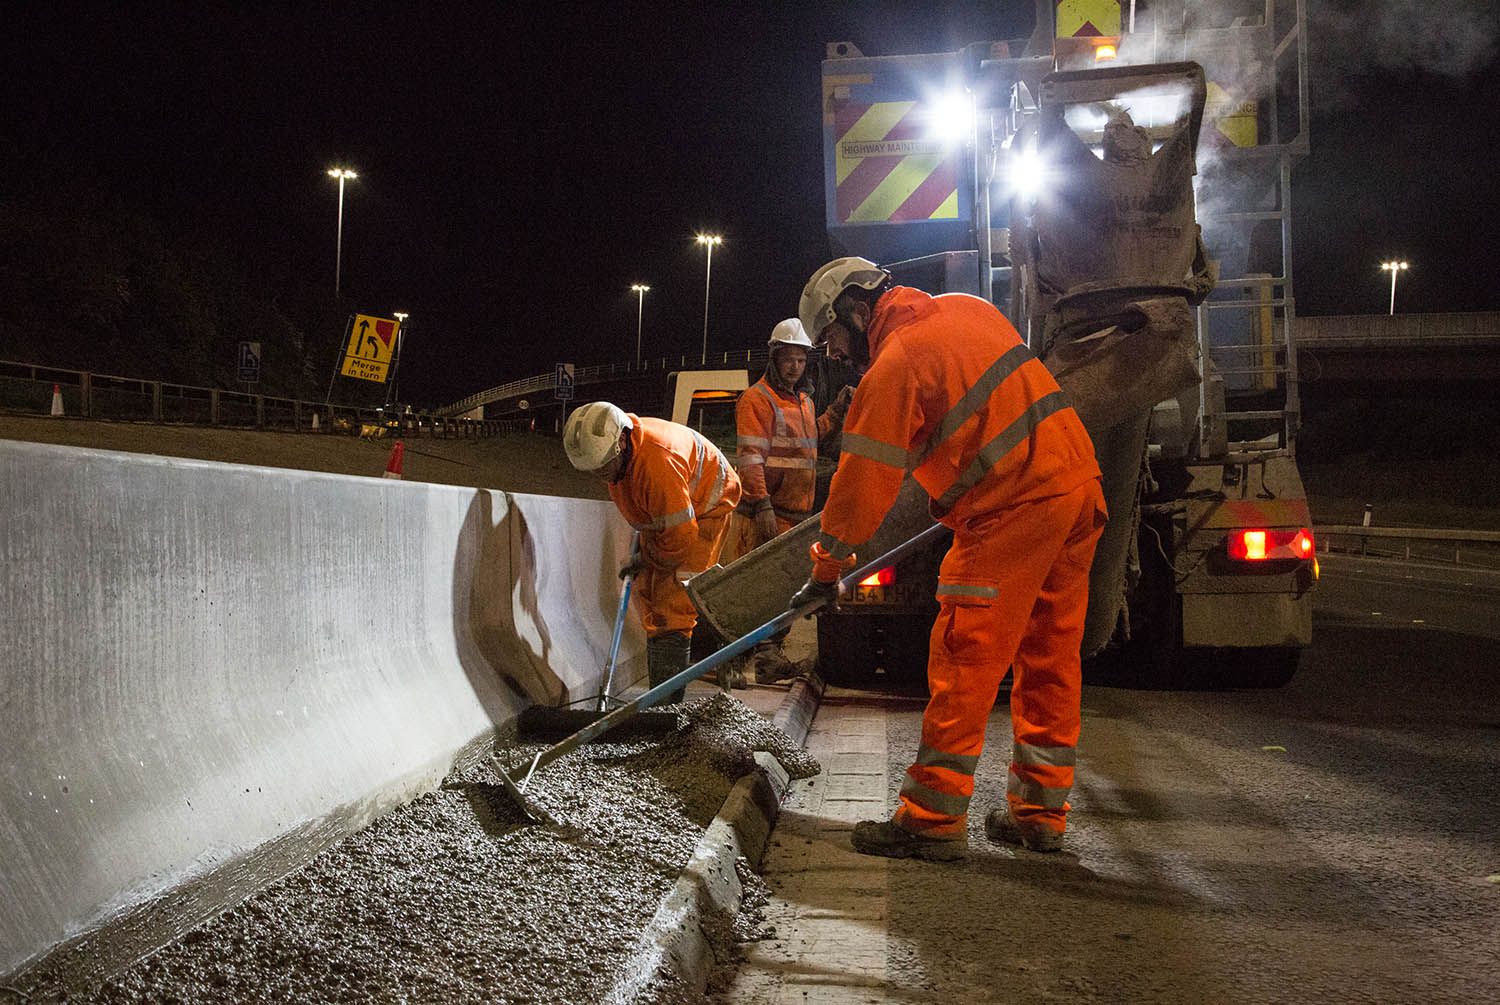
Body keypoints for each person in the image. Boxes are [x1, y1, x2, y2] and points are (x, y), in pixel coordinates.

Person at [789, 257, 1106, 858]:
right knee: (1049, 656)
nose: (832, 351)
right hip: (1075, 488)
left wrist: (825, 571)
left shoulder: (898, 361)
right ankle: (1041, 813)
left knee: (966, 654)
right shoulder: (968, 308)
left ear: (856, 310)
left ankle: (931, 820)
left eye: (830, 335)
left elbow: (861, 486)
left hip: (1011, 506)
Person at [563, 401, 741, 705]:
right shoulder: (620, 457)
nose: (600, 475)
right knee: (651, 593)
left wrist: (647, 558)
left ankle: (665, 706)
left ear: (621, 442)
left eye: (603, 466)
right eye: (593, 470)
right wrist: (646, 558)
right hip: (676, 513)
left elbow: (681, 537)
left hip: (706, 510)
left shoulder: (657, 463)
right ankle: (685, 673)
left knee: (674, 603)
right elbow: (653, 515)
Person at [730, 317, 853, 683]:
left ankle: (768, 656)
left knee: (783, 589)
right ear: (774, 358)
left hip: (795, 511)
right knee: (765, 589)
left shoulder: (803, 401)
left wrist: (836, 411)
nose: (795, 367)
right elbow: (751, 457)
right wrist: (762, 503)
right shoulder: (757, 400)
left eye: (801, 360)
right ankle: (759, 658)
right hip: (768, 511)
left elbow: (812, 437)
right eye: (788, 359)